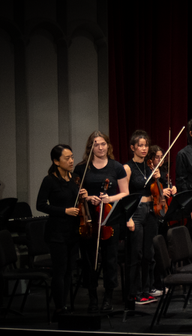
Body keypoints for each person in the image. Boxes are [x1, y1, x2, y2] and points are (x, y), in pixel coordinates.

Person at [76, 131, 131, 313]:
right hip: (89, 220)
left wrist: (109, 198)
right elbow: (76, 193)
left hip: (110, 219)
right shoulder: (82, 168)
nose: (100, 147)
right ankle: (92, 298)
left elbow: (125, 193)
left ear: (108, 145)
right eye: (96, 144)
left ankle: (108, 298)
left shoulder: (117, 167)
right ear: (90, 147)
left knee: (110, 259)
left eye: (103, 144)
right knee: (89, 259)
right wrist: (88, 197)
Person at [126, 130, 175, 307]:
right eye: (140, 145)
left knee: (149, 254)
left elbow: (155, 191)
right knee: (137, 254)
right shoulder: (128, 167)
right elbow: (126, 195)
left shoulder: (150, 167)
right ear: (133, 147)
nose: (144, 148)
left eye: (146, 145)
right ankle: (134, 293)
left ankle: (147, 290)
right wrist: (128, 217)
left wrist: (160, 182)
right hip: (137, 211)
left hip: (152, 211)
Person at [36, 144, 82, 315]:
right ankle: (59, 307)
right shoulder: (49, 180)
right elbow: (40, 205)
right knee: (60, 270)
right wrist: (64, 211)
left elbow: (76, 202)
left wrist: (82, 197)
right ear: (56, 161)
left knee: (70, 269)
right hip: (56, 232)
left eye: (72, 157)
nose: (71, 161)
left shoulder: (75, 178)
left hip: (73, 231)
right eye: (67, 158)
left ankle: (66, 303)